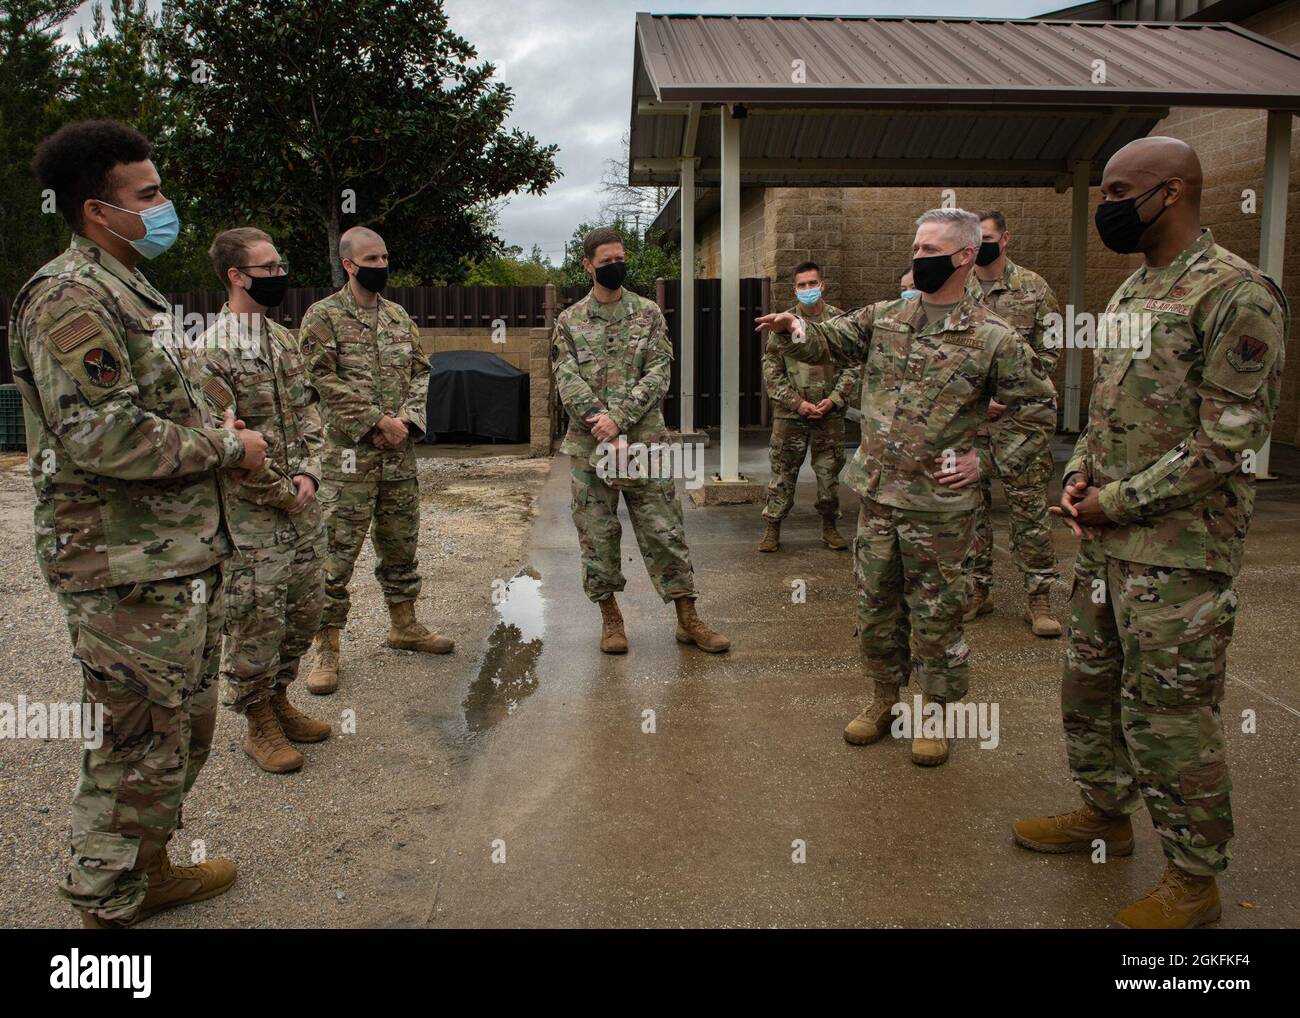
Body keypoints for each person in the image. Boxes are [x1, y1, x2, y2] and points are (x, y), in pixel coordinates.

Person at [1013, 137, 1287, 929]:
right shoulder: (1134, 288)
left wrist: (1118, 501)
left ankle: (1193, 879)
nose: (1106, 204)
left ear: (1170, 192)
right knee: (1090, 693)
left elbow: (1226, 441)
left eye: (1117, 189)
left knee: (1170, 716)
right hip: (1107, 544)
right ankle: (1104, 814)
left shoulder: (1238, 294)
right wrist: (1081, 477)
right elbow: (1112, 410)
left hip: (1181, 554)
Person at [8, 120, 267, 926]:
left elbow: (158, 400)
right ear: (97, 209)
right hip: (121, 567)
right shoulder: (70, 296)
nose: (165, 207)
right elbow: (101, 434)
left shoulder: (130, 289)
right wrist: (227, 448)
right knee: (135, 738)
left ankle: (145, 868)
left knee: (178, 729)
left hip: (172, 559)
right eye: (148, 195)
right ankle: (105, 903)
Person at [756, 209, 1055, 766]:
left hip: (939, 507)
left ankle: (933, 711)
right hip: (877, 497)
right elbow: (828, 339)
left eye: (930, 250)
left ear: (965, 256)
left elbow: (1038, 408)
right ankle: (883, 700)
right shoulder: (887, 317)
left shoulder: (994, 337)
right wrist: (794, 328)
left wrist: (982, 457)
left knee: (937, 612)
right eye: (915, 248)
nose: (918, 258)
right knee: (875, 607)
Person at [551, 226, 729, 655]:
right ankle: (611, 619)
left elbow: (659, 372)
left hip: (643, 445)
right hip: (590, 448)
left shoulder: (648, 313)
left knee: (664, 530)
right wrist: (601, 424)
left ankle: (688, 618)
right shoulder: (570, 321)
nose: (616, 266)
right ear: (587, 264)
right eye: (606, 261)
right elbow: (566, 377)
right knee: (597, 534)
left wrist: (619, 421)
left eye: (620, 259)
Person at [195, 228, 332, 773]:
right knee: (255, 619)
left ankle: (280, 697)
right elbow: (224, 442)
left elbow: (308, 415)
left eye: (280, 266)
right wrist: (281, 490)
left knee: (304, 611)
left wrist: (311, 475)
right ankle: (258, 721)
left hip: (302, 506)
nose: (280, 276)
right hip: (252, 518)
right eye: (268, 268)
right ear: (236, 275)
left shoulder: (282, 339)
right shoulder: (210, 350)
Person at [300, 226, 452, 695]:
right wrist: (373, 422)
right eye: (372, 258)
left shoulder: (398, 317)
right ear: (349, 264)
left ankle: (404, 624)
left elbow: (421, 372)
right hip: (349, 460)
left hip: (398, 457)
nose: (382, 265)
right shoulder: (322, 317)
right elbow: (317, 378)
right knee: (335, 553)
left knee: (400, 544)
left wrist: (406, 420)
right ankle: (327, 646)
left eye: (385, 256)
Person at [963, 210, 1063, 637]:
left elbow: (1052, 349)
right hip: (970, 425)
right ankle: (977, 590)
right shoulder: (957, 286)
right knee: (970, 510)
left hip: (1021, 424)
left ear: (1005, 239)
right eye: (976, 238)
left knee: (1030, 512)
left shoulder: (1036, 289)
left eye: (988, 237)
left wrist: (1007, 393)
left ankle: (1039, 599)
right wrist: (974, 398)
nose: (982, 244)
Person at [758, 261, 859, 552]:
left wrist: (836, 400)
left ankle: (830, 527)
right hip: (790, 415)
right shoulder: (783, 323)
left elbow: (853, 366)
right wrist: (797, 402)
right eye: (802, 285)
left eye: (812, 284)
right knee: (782, 474)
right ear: (794, 289)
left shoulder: (840, 322)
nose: (807, 290)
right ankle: (772, 528)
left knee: (829, 477)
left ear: (822, 285)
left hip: (830, 415)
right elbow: (772, 370)